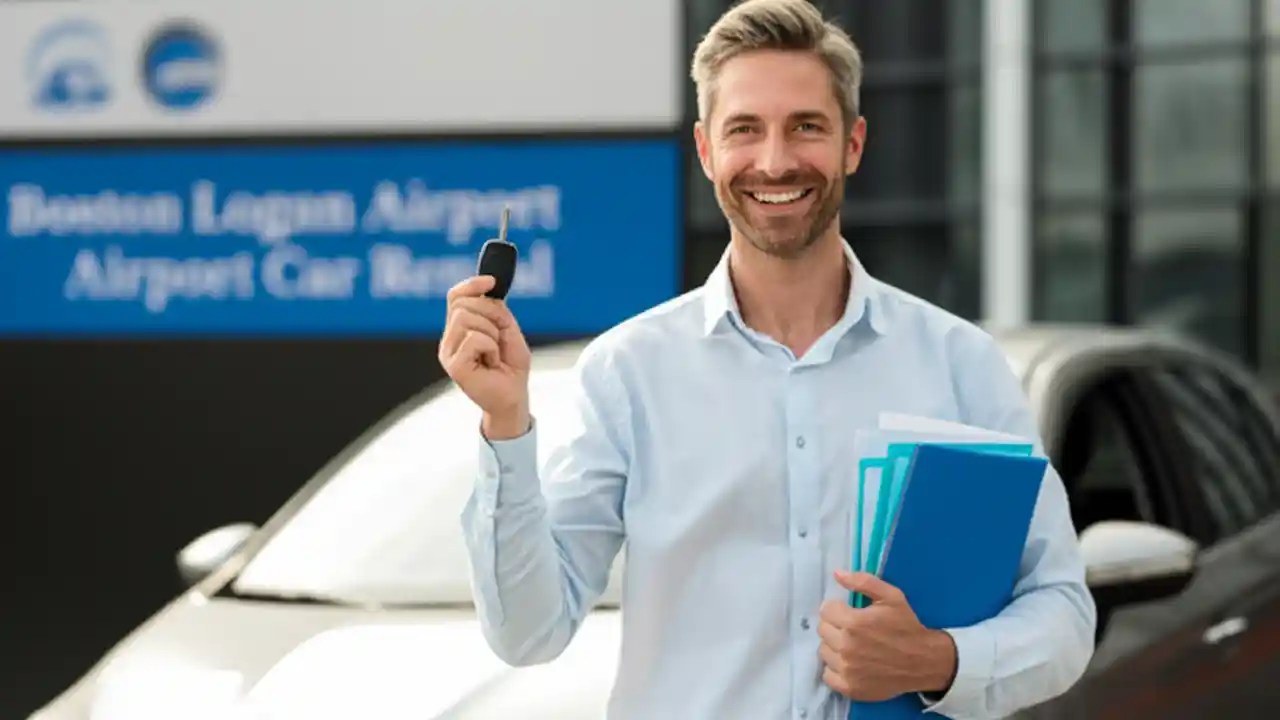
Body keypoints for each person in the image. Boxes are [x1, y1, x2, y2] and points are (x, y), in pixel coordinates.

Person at [440, 0, 1096, 717]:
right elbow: (529, 633)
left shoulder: (961, 366)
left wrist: (939, 660)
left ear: (853, 143)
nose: (775, 161)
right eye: (744, 130)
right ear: (705, 150)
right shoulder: (627, 372)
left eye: (806, 127)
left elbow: (1063, 614)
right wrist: (505, 424)